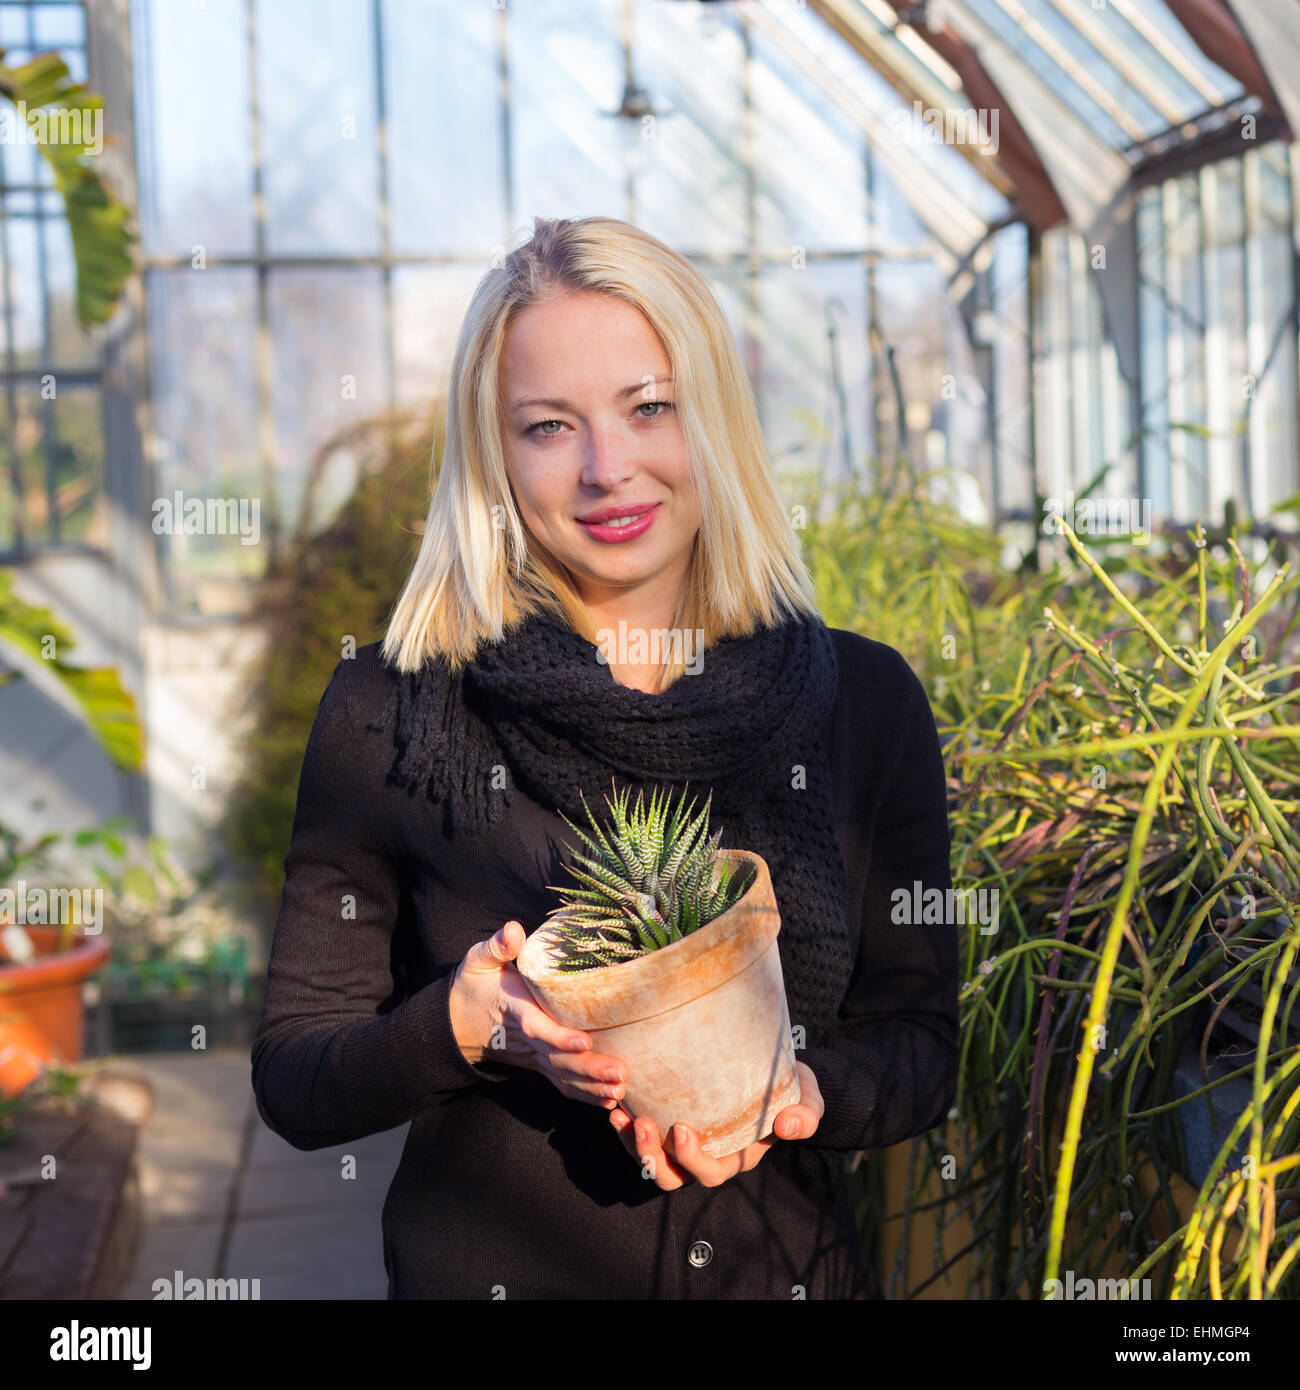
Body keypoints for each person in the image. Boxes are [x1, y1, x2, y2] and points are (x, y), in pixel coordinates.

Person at [251, 214, 958, 1299]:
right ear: (493, 457)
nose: (606, 468)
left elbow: (917, 1045)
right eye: (547, 426)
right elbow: (297, 1077)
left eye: (648, 407)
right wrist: (465, 1022)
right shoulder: (395, 709)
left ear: (711, 417)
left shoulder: (863, 703)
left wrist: (803, 1089)